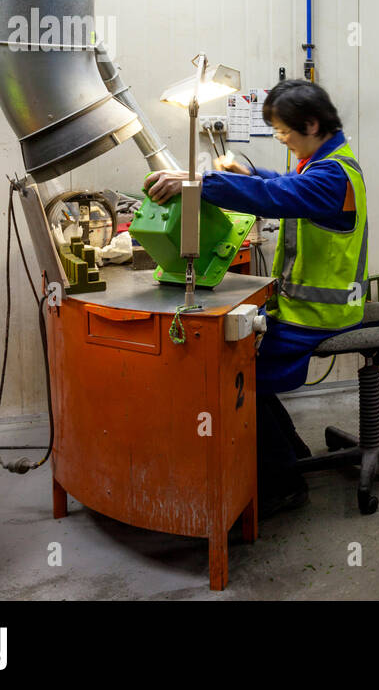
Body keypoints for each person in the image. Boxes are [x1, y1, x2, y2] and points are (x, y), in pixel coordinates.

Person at [145, 80, 367, 515]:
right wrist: (248, 175)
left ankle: (283, 483)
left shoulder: (333, 176)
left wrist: (200, 181)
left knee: (234, 375)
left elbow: (276, 197)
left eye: (284, 131)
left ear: (312, 124)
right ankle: (293, 458)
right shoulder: (325, 164)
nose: (281, 139)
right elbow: (281, 184)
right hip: (305, 310)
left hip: (319, 316)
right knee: (242, 368)